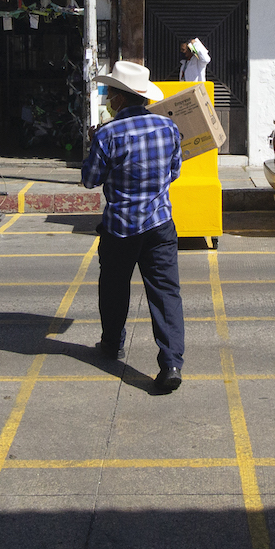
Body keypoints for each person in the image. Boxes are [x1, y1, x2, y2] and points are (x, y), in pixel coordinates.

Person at [82, 60, 186, 394]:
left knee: (114, 288)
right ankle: (171, 363)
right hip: (160, 223)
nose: (108, 98)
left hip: (120, 227)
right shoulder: (168, 128)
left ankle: (112, 344)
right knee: (165, 292)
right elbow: (174, 173)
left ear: (120, 97)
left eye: (110, 92)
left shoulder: (107, 134)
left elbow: (89, 180)